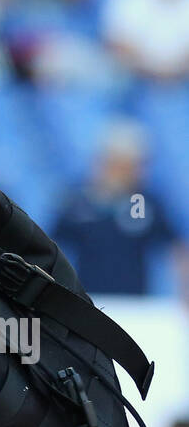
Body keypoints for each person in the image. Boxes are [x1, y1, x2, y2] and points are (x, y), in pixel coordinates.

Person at [50, 119, 188, 300]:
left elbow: (175, 250)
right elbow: (51, 247)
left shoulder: (147, 202)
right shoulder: (76, 200)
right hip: (88, 301)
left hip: (135, 306)